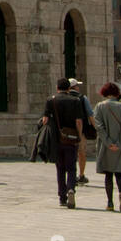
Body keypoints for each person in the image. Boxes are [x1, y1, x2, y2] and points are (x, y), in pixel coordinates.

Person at [43, 77, 85, 208]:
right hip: (71, 139)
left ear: (57, 88)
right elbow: (79, 121)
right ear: (68, 88)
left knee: (60, 168)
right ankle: (71, 188)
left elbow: (45, 120)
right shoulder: (75, 100)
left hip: (57, 139)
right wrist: (78, 135)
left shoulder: (51, 100)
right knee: (71, 167)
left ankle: (62, 196)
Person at [94, 82, 121, 212]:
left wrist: (108, 142)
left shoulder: (99, 106)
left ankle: (110, 203)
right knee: (120, 173)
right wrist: (120, 143)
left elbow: (99, 127)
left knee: (108, 174)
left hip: (106, 146)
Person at [68, 78, 96, 184]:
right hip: (81, 131)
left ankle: (71, 175)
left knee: (69, 154)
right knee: (81, 153)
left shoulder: (63, 98)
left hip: (66, 131)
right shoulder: (82, 98)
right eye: (77, 86)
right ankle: (81, 175)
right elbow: (90, 114)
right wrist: (96, 128)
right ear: (75, 87)